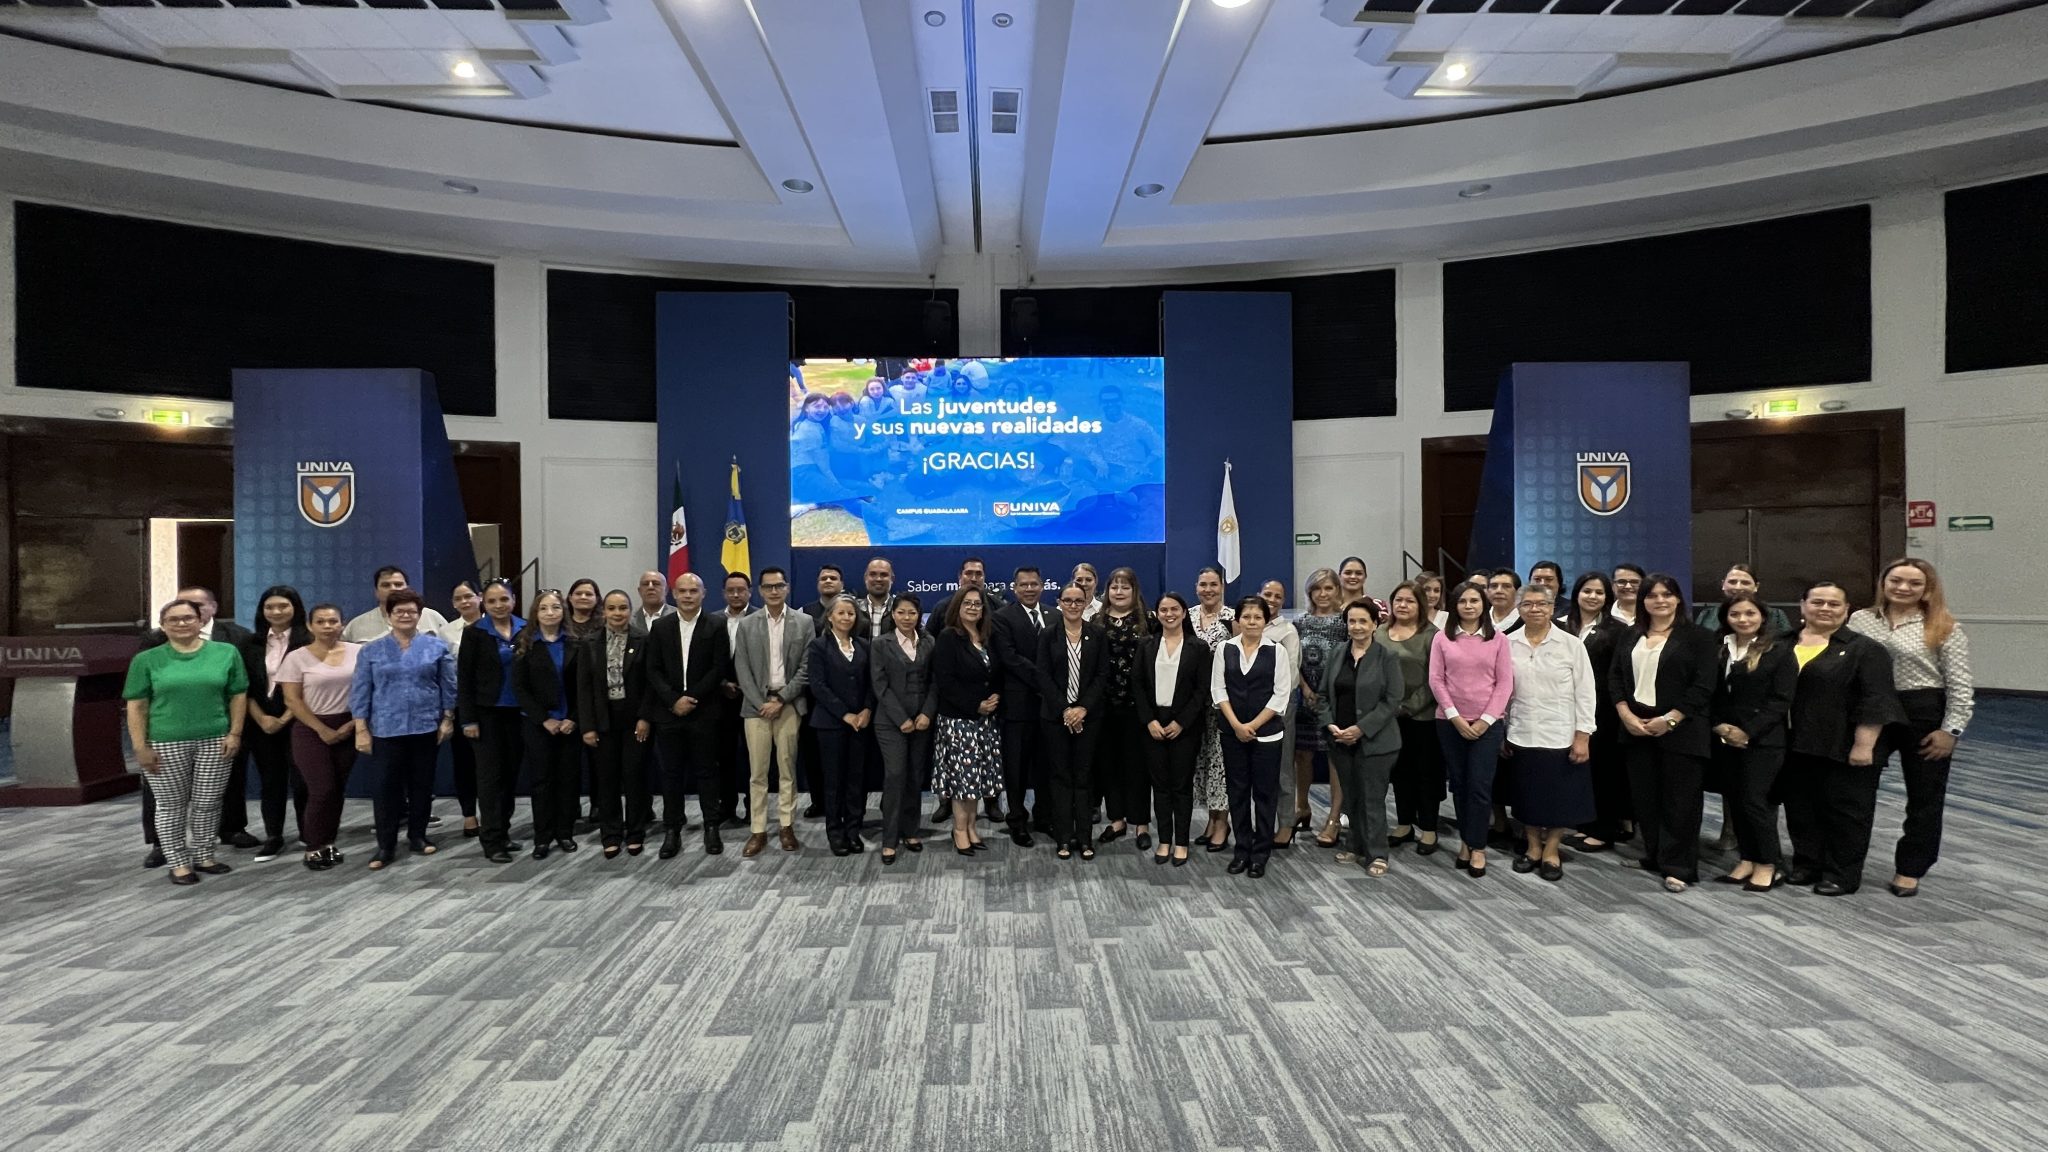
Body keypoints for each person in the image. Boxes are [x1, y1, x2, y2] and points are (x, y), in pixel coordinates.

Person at [1849, 558, 1975, 898]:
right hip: (1873, 709)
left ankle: (1911, 868)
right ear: (1884, 583)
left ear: (1927, 588)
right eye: (1896, 580)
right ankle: (1845, 863)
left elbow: (1960, 685)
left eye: (1914, 583)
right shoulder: (1860, 619)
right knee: (1854, 790)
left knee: (1925, 796)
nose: (1903, 588)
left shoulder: (1944, 625)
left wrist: (1952, 730)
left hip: (1923, 712)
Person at [1782, 582, 1903, 896]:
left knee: (1847, 812)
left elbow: (1876, 700)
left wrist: (1864, 745)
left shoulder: (1866, 649)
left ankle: (1842, 874)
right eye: (1817, 602)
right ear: (1802, 605)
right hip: (1793, 744)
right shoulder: (1780, 643)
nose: (1825, 609)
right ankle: (1807, 864)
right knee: (1801, 808)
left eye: (1834, 604)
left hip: (1845, 744)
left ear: (1846, 610)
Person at [124, 597, 249, 886]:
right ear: (163, 626)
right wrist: (140, 746)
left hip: (215, 739)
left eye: (188, 618)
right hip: (165, 742)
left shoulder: (226, 652)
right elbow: (137, 706)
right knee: (170, 805)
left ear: (201, 621)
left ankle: (205, 855)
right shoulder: (146, 660)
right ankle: (178, 862)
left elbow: (238, 695)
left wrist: (235, 733)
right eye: (174, 620)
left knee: (208, 802)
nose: (181, 624)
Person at [1609, 574, 1719, 893]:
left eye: (1667, 594)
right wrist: (1625, 714)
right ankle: (1655, 856)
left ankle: (1679, 866)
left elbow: (1704, 685)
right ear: (1643, 601)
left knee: (1680, 802)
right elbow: (1616, 678)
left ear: (1677, 599)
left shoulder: (1698, 637)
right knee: (1646, 799)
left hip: (1681, 731)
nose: (1660, 600)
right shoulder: (1631, 635)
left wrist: (1671, 719)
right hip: (1636, 728)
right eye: (1652, 595)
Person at [349, 589, 456, 871]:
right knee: (385, 788)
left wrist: (447, 718)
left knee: (422, 785)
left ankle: (418, 835)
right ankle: (386, 845)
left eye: (412, 612)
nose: (406, 616)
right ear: (389, 615)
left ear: (419, 616)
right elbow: (361, 691)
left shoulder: (436, 647)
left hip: (425, 726)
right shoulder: (371, 650)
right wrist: (361, 728)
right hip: (385, 729)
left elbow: (448, 685)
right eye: (400, 612)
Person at [1502, 585, 1598, 882]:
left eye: (1541, 604)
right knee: (1527, 797)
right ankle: (1532, 847)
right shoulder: (1506, 644)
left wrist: (1583, 735)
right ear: (1519, 609)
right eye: (1528, 604)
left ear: (1552, 607)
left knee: (1560, 799)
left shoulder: (1571, 645)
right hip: (1521, 732)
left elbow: (1585, 693)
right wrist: (1502, 731)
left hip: (1561, 733)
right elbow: (1502, 692)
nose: (1534, 609)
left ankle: (1552, 849)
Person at [1708, 591, 1797, 892]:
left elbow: (1780, 700)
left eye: (1749, 614)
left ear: (1762, 617)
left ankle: (1770, 864)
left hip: (1763, 740)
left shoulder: (1780, 650)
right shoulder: (1719, 648)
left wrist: (1747, 732)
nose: (1743, 619)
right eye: (1735, 614)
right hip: (1724, 738)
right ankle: (1747, 858)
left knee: (1756, 802)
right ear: (1726, 619)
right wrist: (1720, 726)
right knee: (1736, 801)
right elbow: (1711, 692)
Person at [1428, 580, 1513, 878]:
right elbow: (1436, 680)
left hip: (1487, 726)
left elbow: (1505, 683)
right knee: (1461, 786)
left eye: (1474, 601)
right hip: (1450, 723)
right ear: (1455, 606)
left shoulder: (1499, 639)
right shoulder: (1442, 638)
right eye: (1462, 601)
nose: (1468, 606)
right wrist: (1455, 717)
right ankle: (1466, 839)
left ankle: (1477, 847)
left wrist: (1485, 721)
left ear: (1483, 605)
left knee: (1479, 786)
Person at [644, 573, 732, 858]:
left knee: (707, 771)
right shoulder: (660, 627)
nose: (688, 595)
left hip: (704, 711)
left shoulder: (717, 625)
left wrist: (691, 698)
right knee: (671, 775)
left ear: (704, 593)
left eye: (693, 590)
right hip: (669, 713)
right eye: (682, 591)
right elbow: (653, 670)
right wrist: (673, 700)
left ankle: (711, 826)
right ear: (673, 593)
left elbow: (719, 668)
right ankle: (672, 829)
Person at [1319, 597, 1404, 877]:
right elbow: (1322, 696)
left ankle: (1378, 853)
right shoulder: (1337, 653)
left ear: (1375, 624)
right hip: (1340, 739)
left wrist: (1361, 728)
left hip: (1376, 742)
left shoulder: (1386, 656)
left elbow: (1392, 700)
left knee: (1372, 799)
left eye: (1363, 621)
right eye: (1352, 621)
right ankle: (1354, 845)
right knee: (1351, 797)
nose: (1356, 626)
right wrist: (1330, 724)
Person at [734, 567, 814, 857]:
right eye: (768, 587)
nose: (774, 591)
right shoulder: (747, 624)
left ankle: (786, 825)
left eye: (779, 586)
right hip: (756, 707)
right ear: (760, 590)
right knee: (757, 772)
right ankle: (757, 829)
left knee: (787, 768)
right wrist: (761, 703)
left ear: (787, 588)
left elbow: (806, 668)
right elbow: (741, 668)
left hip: (789, 704)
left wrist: (780, 699)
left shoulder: (804, 622)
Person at [1213, 595, 1292, 879]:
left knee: (1264, 794)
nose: (1252, 622)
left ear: (1266, 620)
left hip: (1267, 735)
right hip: (1232, 733)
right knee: (1237, 792)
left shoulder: (1277, 651)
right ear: (1238, 620)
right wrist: (1236, 725)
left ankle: (1260, 853)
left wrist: (1253, 726)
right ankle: (1241, 849)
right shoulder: (1225, 649)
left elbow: (1281, 694)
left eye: (1257, 617)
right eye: (1246, 617)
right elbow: (1219, 690)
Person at [276, 604, 358, 872]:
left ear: (342, 624)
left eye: (333, 621)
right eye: (320, 622)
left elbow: (368, 689)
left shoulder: (358, 652)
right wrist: (321, 729)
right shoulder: (296, 658)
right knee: (321, 789)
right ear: (310, 626)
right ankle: (313, 847)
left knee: (337, 789)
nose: (327, 626)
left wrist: (352, 724)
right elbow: (292, 699)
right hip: (310, 728)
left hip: (348, 725)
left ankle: (329, 843)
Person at [1135, 592, 1211, 866]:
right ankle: (1164, 840)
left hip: (1184, 726)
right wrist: (1149, 721)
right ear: (1157, 614)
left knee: (1181, 787)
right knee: (1161, 787)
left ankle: (1181, 842)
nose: (1169, 614)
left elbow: (1202, 690)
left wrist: (1182, 722)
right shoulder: (1146, 645)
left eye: (1174, 609)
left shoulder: (1198, 647)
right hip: (1153, 724)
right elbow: (1138, 686)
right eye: (1163, 609)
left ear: (1183, 612)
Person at [1558, 573, 1630, 854]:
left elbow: (1618, 674)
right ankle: (1583, 823)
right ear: (1576, 593)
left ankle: (1603, 829)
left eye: (1599, 593)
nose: (1592, 597)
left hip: (1603, 711)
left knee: (1604, 771)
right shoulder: (1561, 624)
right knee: (1576, 769)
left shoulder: (1618, 630)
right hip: (1564, 708)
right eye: (1587, 590)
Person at [577, 590, 652, 858]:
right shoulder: (589, 643)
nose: (617, 613)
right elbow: (583, 688)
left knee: (634, 778)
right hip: (602, 720)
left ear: (630, 610)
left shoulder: (643, 639)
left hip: (634, 720)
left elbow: (648, 684)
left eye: (623, 608)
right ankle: (610, 834)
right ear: (604, 612)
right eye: (612, 608)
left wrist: (645, 717)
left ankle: (635, 832)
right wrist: (587, 726)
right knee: (606, 780)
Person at [456, 579, 525, 863]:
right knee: (489, 779)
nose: (499, 606)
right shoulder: (474, 633)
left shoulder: (525, 629)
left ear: (513, 601)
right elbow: (465, 679)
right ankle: (491, 839)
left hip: (519, 713)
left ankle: (504, 832)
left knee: (510, 776)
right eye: (493, 601)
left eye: (504, 600)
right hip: (486, 715)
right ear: (484, 602)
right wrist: (468, 718)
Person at [931, 587, 1003, 856]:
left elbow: (993, 674)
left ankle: (972, 827)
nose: (973, 607)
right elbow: (946, 682)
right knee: (963, 782)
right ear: (957, 606)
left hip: (984, 723)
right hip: (959, 722)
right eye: (968, 603)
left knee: (977, 781)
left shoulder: (985, 637)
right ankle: (959, 830)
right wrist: (976, 705)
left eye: (978, 604)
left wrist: (996, 694)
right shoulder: (949, 637)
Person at [239, 585, 310, 861]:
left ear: (295, 609)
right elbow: (242, 686)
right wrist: (261, 718)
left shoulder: (308, 640)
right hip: (261, 723)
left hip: (298, 720)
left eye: (283, 606)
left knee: (303, 780)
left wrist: (284, 717)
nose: (276, 612)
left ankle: (308, 833)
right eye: (270, 607)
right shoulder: (250, 643)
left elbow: (310, 686)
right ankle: (274, 835)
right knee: (271, 781)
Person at [1039, 584, 1109, 860]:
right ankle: (1063, 838)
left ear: (1085, 603)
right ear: (1059, 603)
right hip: (1055, 718)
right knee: (1060, 778)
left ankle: (1084, 838)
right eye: (1067, 600)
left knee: (1083, 778)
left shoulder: (1097, 635)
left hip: (1088, 719)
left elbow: (1102, 675)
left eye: (1078, 601)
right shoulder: (1048, 635)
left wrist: (1082, 709)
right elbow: (1042, 675)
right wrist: (1066, 710)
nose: (1072, 605)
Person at [513, 590, 582, 859]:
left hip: (569, 724)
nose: (550, 613)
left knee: (568, 781)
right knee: (541, 781)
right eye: (544, 608)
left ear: (563, 611)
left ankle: (564, 833)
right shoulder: (526, 643)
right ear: (536, 613)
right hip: (538, 725)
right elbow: (520, 688)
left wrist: (572, 718)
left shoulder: (576, 643)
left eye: (556, 607)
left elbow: (583, 687)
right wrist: (544, 719)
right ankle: (543, 837)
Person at [807, 595, 874, 855]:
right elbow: (818, 686)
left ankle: (853, 830)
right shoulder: (818, 646)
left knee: (856, 780)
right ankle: (835, 832)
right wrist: (845, 714)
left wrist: (867, 709)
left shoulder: (864, 646)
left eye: (851, 614)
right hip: (830, 724)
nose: (847, 617)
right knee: (834, 781)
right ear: (830, 617)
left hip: (861, 723)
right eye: (842, 613)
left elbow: (871, 683)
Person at [871, 594, 935, 863]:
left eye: (912, 613)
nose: (907, 617)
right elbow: (879, 685)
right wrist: (901, 719)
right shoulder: (880, 644)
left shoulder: (930, 642)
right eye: (902, 613)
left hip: (922, 721)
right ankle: (889, 838)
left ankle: (911, 831)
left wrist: (926, 714)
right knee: (895, 775)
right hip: (890, 722)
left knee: (915, 776)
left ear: (919, 615)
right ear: (893, 615)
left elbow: (935, 682)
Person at [991, 566, 1052, 845]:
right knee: (1015, 768)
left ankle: (1044, 816)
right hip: (1017, 708)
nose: (1029, 589)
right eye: (1023, 585)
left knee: (1046, 766)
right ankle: (1016, 820)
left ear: (1043, 586)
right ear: (1014, 588)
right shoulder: (1002, 618)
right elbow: (1009, 658)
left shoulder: (1056, 615)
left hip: (1050, 709)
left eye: (1034, 584)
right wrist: (1045, 681)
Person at [1382, 582, 1442, 855]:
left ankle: (1428, 828)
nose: (1403, 605)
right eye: (1398, 600)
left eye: (1410, 601)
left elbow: (1436, 679)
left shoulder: (1433, 636)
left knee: (1425, 774)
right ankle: (1404, 824)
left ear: (1421, 605)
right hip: (1387, 717)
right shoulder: (1381, 632)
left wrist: (1408, 707)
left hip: (1422, 717)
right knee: (1400, 772)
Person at [1095, 567, 1152, 849]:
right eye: (1114, 587)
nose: (1118, 592)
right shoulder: (1096, 621)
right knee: (1110, 765)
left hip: (1138, 707)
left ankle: (1141, 824)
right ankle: (1116, 820)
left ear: (1134, 591)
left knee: (1137, 766)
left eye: (1125, 587)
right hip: (1104, 706)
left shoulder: (1148, 621)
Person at [1292, 568, 1347, 849]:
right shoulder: (1300, 623)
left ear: (1337, 590)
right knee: (1303, 754)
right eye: (1317, 589)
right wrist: (1304, 688)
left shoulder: (1345, 623)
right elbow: (1294, 660)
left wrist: (1327, 692)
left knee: (1333, 757)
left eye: (1328, 588)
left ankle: (1334, 818)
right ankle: (1302, 807)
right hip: (1306, 698)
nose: (1323, 594)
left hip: (1335, 700)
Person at [1258, 579, 1308, 847]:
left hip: (1280, 709)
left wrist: (1271, 707)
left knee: (1282, 770)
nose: (1272, 599)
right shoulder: (1248, 624)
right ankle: (1262, 823)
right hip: (1250, 709)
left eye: (1278, 596)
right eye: (1267, 594)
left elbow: (1289, 675)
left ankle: (1287, 824)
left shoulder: (1287, 631)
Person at [1190, 566, 1236, 852]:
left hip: (1223, 702)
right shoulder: (1189, 616)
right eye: (1203, 584)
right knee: (1204, 763)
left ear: (1222, 587)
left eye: (1213, 585)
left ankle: (1223, 823)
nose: (1208, 590)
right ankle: (1211, 819)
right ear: (1196, 587)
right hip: (1195, 703)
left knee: (1221, 764)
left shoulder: (1232, 618)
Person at [437, 580, 485, 840]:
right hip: (461, 704)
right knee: (464, 763)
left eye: (469, 596)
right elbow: (445, 674)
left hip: (492, 704)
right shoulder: (447, 632)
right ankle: (469, 815)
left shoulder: (496, 625)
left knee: (492, 764)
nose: (465, 602)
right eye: (459, 598)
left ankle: (493, 815)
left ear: (479, 597)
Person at [707, 572, 754, 828]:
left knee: (753, 758)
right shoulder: (712, 620)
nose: (736, 595)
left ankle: (752, 808)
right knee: (723, 757)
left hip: (753, 698)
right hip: (720, 699)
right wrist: (723, 683)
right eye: (731, 590)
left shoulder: (760, 616)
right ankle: (726, 806)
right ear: (724, 593)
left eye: (741, 590)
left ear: (750, 591)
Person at [341, 566, 449, 642]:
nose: (393, 589)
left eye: (398, 584)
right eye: (386, 585)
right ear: (376, 592)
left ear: (408, 588)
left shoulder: (432, 617)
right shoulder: (356, 625)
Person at [1694, 564, 1793, 635]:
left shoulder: (1776, 616)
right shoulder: (1706, 615)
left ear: (1756, 586)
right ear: (1723, 585)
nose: (1738, 587)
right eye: (1732, 582)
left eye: (1745, 583)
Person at [855, 558, 896, 640]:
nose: (878, 579)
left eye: (884, 575)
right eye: (873, 574)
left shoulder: (901, 609)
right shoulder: (853, 609)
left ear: (892, 579)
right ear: (865, 578)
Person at [1485, 569, 1524, 635]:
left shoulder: (1527, 620)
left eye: (1506, 586)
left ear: (1518, 592)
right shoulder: (1478, 619)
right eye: (1494, 586)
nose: (1499, 591)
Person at [564, 578, 603, 642]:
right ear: (570, 598)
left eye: (588, 594)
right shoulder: (562, 623)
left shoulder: (604, 624)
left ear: (597, 599)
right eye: (578, 594)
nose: (583, 597)